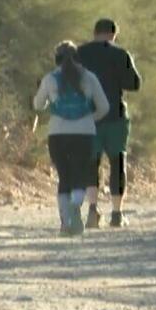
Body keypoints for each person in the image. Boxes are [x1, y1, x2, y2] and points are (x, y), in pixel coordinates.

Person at [33, 41, 109, 235]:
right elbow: (104, 107)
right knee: (80, 175)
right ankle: (76, 206)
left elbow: (38, 105)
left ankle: (65, 222)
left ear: (56, 59)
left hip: (58, 133)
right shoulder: (90, 78)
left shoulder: (50, 78)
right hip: (84, 133)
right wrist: (89, 119)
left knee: (64, 176)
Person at [77, 18, 142, 228]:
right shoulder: (121, 54)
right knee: (117, 161)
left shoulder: (80, 53)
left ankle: (92, 209)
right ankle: (116, 213)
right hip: (116, 115)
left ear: (94, 32)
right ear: (114, 34)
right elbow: (135, 84)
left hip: (88, 117)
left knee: (91, 163)